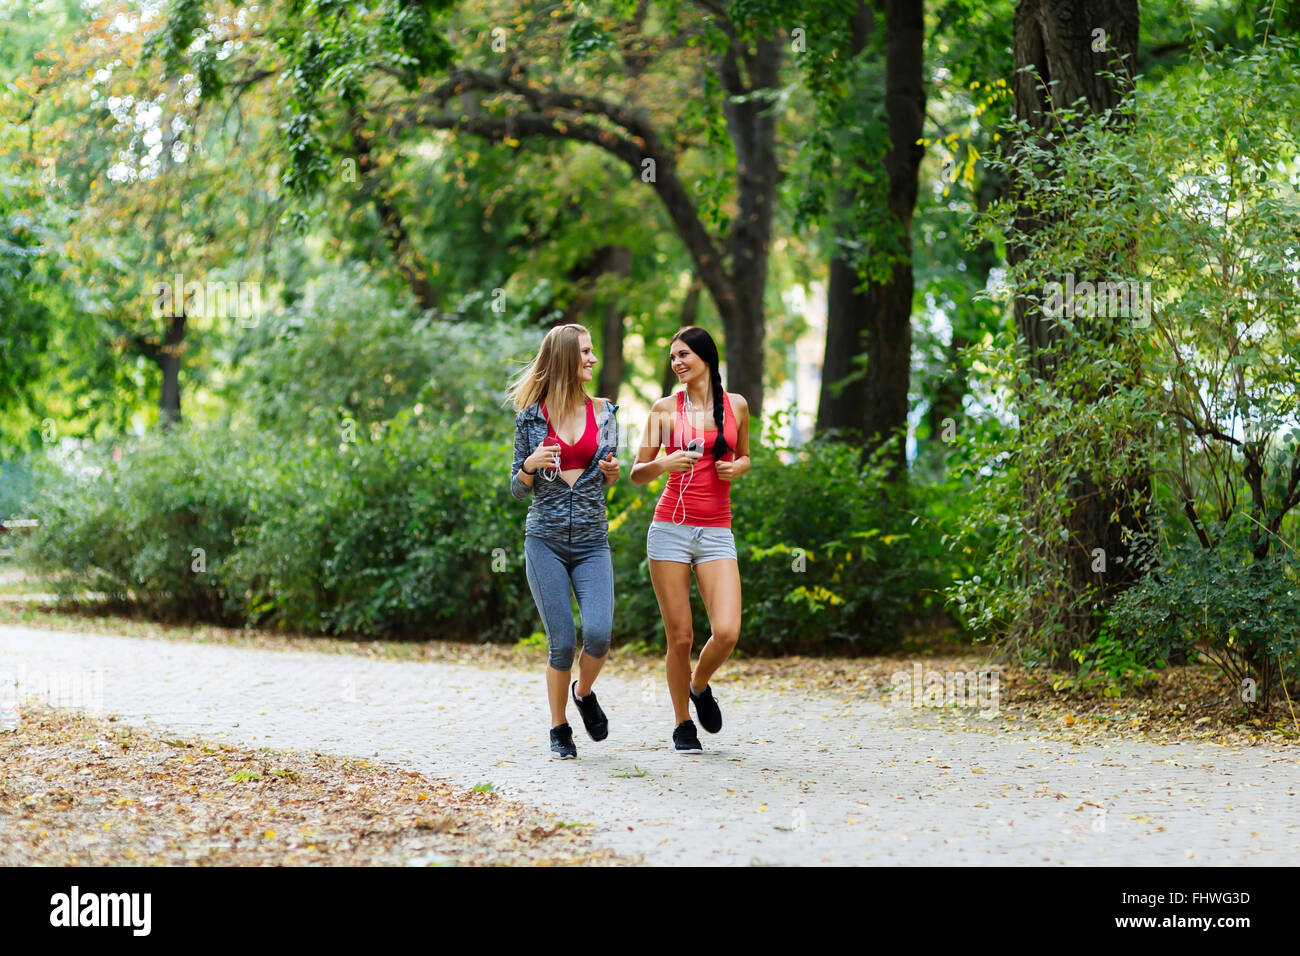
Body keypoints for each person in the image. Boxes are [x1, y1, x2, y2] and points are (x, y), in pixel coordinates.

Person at [630, 326, 750, 754]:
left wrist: (739, 468)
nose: (677, 363)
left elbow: (744, 454)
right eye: (672, 357)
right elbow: (636, 472)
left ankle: (699, 684)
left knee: (728, 631)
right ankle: (683, 723)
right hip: (670, 531)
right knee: (680, 637)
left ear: (705, 357)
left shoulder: (735, 405)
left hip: (717, 530)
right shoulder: (665, 409)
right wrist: (666, 462)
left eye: (683, 355)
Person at [508, 324, 621, 760]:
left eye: (593, 351)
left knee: (598, 635)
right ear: (564, 359)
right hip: (545, 542)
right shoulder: (530, 419)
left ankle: (584, 690)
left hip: (593, 541)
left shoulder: (607, 412)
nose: (593, 359)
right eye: (586, 352)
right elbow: (517, 490)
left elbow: (606, 476)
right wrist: (530, 467)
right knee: (561, 641)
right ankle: (558, 728)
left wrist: (611, 475)